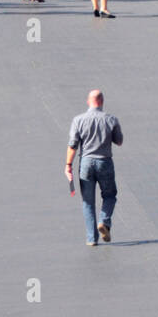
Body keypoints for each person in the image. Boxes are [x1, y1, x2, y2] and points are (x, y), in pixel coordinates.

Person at [65, 88, 123, 247]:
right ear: (102, 101)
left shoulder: (78, 120)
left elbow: (73, 145)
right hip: (105, 162)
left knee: (88, 202)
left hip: (86, 163)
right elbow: (119, 141)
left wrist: (68, 165)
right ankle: (104, 221)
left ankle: (92, 238)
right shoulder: (111, 119)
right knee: (110, 195)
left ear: (88, 101)